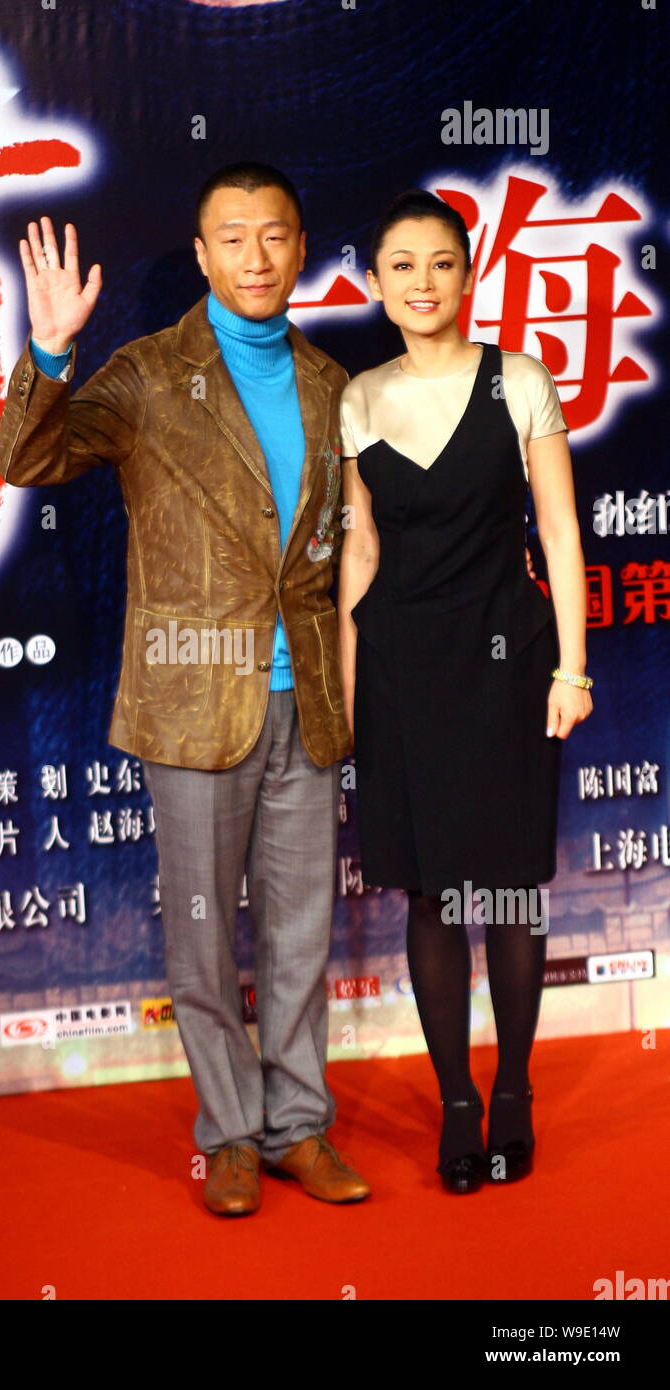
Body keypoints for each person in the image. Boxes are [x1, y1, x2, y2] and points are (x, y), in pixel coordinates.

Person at [0, 163, 370, 1215]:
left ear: (301, 250)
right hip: (190, 701)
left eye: (275, 236)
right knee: (203, 933)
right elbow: (29, 459)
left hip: (307, 701)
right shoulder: (149, 372)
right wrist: (50, 350)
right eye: (233, 239)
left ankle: (300, 1127)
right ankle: (231, 1134)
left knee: (300, 932)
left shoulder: (331, 384)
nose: (256, 257)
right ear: (201, 256)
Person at [337, 189, 593, 1194]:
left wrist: (571, 667)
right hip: (403, 670)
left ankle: (515, 1091)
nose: (422, 283)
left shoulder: (519, 381)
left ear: (469, 272)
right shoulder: (356, 399)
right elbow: (356, 550)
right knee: (436, 894)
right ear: (375, 283)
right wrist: (352, 700)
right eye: (401, 265)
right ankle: (455, 1104)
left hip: (510, 663)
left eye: (441, 262)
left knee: (509, 888)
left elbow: (562, 533)